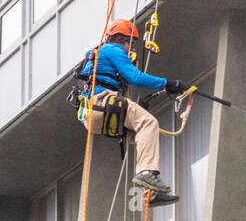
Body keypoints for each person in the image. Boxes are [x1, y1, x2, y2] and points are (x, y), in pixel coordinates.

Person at [77, 19, 184, 199]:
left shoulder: (96, 54)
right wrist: (167, 83)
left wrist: (134, 104)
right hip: (102, 103)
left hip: (91, 113)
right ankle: (146, 174)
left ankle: (150, 194)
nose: (131, 49)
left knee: (139, 131)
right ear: (122, 39)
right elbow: (135, 77)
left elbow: (105, 83)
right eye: (131, 43)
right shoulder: (113, 49)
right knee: (149, 123)